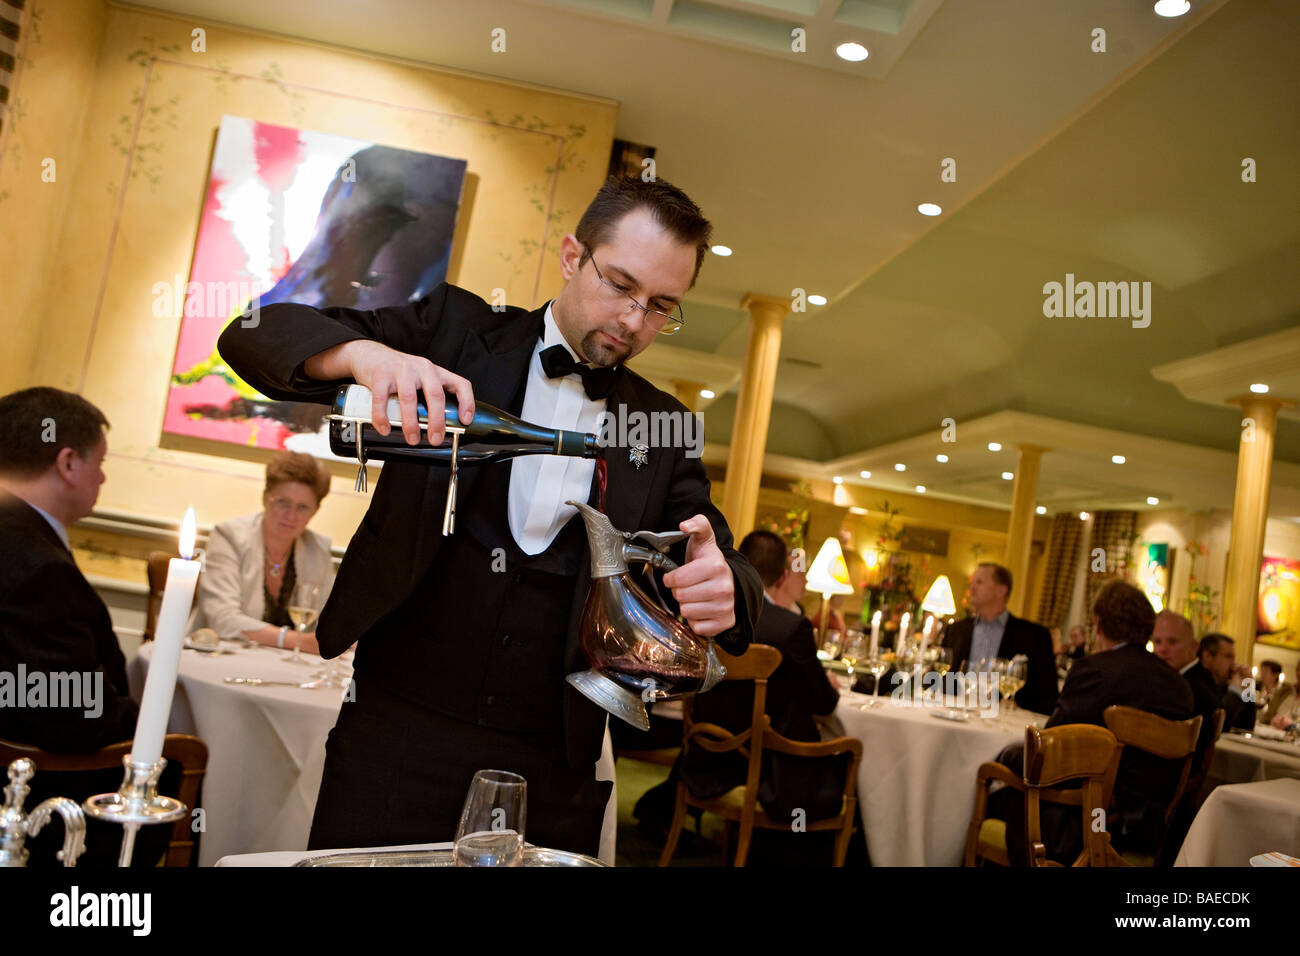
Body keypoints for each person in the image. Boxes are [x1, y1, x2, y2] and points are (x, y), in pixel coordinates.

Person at [218, 176, 762, 856]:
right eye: (620, 285)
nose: (632, 320)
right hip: (396, 731)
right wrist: (364, 356)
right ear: (572, 256)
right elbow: (250, 333)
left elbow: (720, 557)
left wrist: (727, 589)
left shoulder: (662, 425)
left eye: (660, 307)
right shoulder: (452, 332)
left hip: (554, 763)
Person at [0, 387, 174, 866]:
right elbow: (70, 712)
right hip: (37, 796)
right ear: (68, 462)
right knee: (181, 756)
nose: (102, 476)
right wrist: (143, 719)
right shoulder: (38, 565)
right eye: (99, 461)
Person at [633, 531, 843, 861]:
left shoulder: (702, 615)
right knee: (844, 762)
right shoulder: (791, 627)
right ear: (783, 575)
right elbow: (824, 703)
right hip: (764, 772)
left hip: (704, 755)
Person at [985, 581, 1193, 865]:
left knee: (986, 786)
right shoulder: (1179, 686)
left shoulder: (1096, 671)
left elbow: (1047, 755)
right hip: (1147, 832)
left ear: (1098, 624)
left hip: (1077, 826)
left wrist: (1005, 755)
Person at [191, 451, 335, 655]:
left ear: (315, 510)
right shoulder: (228, 536)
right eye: (283, 502)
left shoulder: (318, 548)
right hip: (219, 656)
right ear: (266, 498)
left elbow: (325, 623)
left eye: (302, 507)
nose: (291, 516)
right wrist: (295, 640)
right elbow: (222, 619)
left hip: (287, 667)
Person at [942, 563, 1058, 714]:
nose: (972, 588)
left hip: (1004, 721)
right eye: (972, 583)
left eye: (979, 582)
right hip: (955, 713)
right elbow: (942, 678)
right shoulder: (956, 630)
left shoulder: (1034, 635)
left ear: (1001, 590)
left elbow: (1047, 694)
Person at [1186, 633, 1255, 732]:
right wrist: (1235, 692)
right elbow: (1220, 725)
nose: (1234, 663)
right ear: (1207, 656)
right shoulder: (1196, 682)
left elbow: (1246, 726)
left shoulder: (1222, 685)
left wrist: (1248, 688)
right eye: (1228, 656)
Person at [1256, 660, 1292, 725]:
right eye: (1261, 671)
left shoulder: (1282, 694)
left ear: (1275, 675)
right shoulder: (1257, 688)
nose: (1262, 674)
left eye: (1265, 672)